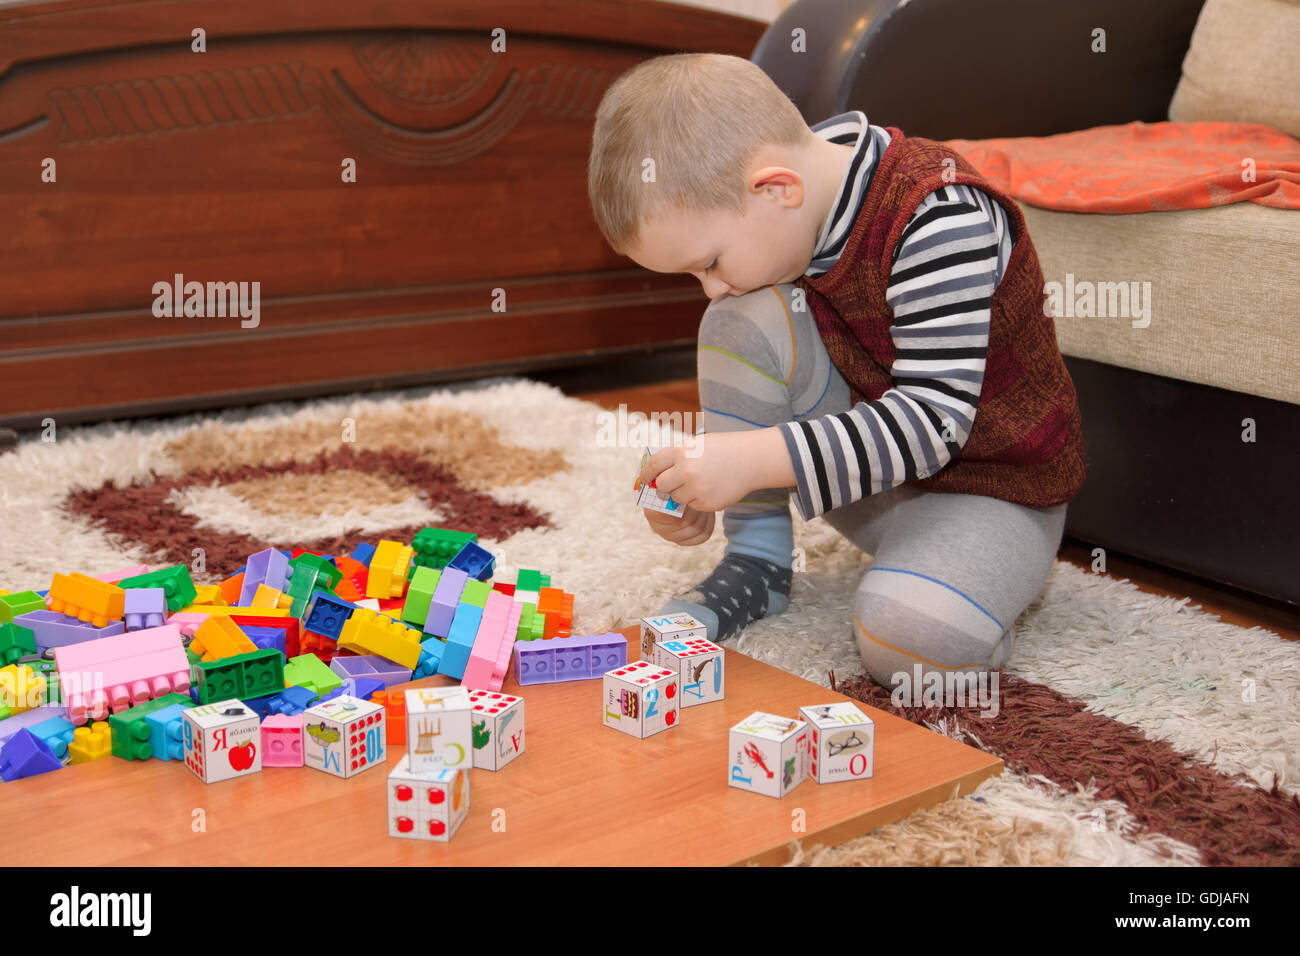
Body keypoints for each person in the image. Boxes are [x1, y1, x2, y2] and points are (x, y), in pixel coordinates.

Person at [586, 54, 1085, 689]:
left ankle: (967, 588)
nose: (709, 288)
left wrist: (751, 459)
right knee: (741, 319)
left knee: (907, 644)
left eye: (709, 261)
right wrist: (707, 484)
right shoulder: (797, 201)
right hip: (875, 477)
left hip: (991, 484)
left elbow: (935, 423)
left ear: (775, 189)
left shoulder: (939, 216)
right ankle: (759, 561)